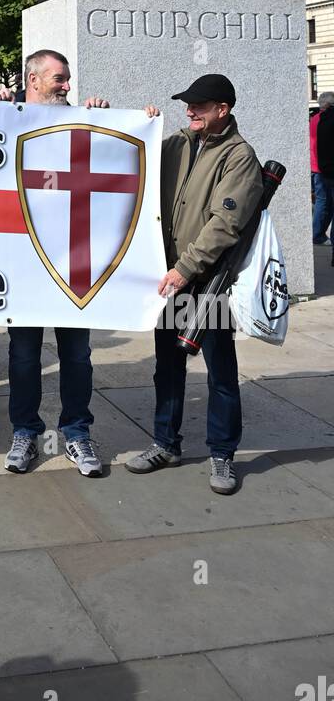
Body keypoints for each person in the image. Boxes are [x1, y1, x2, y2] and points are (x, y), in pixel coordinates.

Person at [126, 74, 262, 496]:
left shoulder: (239, 156)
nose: (189, 111)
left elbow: (226, 224)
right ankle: (165, 444)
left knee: (221, 371)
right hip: (171, 278)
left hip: (208, 282)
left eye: (199, 105)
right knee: (167, 367)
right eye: (188, 104)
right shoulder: (176, 145)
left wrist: (186, 268)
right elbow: (129, 155)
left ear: (223, 109)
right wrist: (131, 121)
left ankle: (222, 453)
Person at [2, 50, 110, 478]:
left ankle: (77, 433)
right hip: (25, 264)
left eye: (67, 79)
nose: (67, 85)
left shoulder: (83, 121)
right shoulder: (5, 119)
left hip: (74, 263)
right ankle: (26, 432)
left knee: (77, 356)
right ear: (33, 79)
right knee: (24, 356)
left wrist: (113, 118)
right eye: (59, 78)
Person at [311, 92, 334, 245]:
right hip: (322, 168)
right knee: (323, 202)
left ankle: (319, 233)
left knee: (323, 202)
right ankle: (317, 234)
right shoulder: (324, 119)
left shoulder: (314, 119)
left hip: (316, 166)